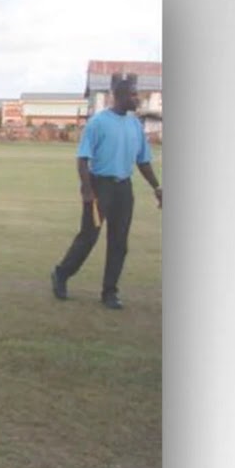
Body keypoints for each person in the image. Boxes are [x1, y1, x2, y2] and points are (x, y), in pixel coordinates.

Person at [50, 73, 161, 310]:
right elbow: (83, 159)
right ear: (120, 96)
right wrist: (87, 191)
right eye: (133, 94)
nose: (137, 99)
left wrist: (157, 187)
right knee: (89, 237)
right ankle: (61, 274)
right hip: (100, 187)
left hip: (123, 189)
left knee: (119, 242)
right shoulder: (98, 123)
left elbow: (143, 161)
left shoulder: (134, 125)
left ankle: (109, 292)